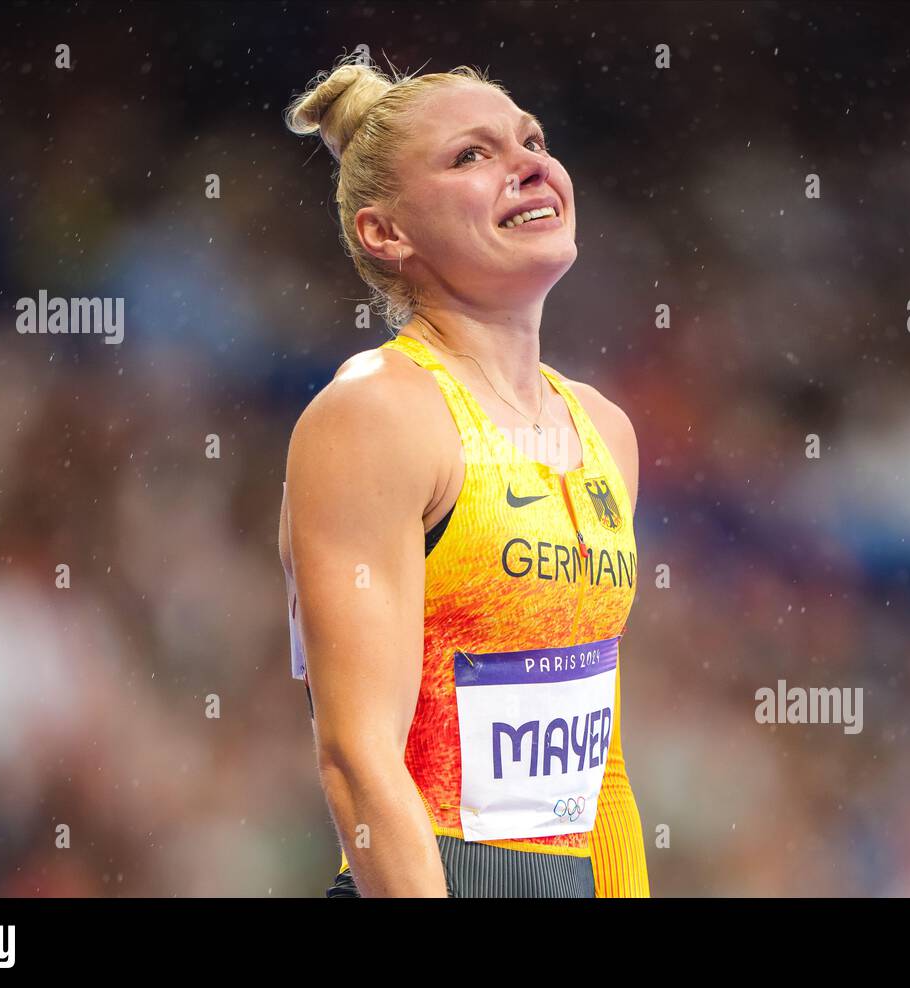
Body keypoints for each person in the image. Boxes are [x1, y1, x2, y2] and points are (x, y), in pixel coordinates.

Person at [277, 54, 649, 897]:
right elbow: (357, 755)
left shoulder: (605, 432)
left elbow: (603, 766)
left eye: (532, 140)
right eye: (471, 156)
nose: (530, 164)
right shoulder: (376, 415)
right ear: (386, 233)